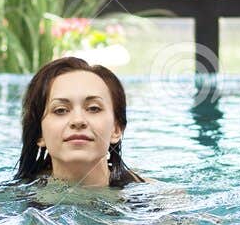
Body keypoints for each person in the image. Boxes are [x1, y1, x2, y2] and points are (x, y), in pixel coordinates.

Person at [15, 55, 146, 189]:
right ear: (39, 133)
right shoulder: (11, 200)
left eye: (93, 108)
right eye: (60, 110)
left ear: (116, 129)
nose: (78, 121)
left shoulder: (154, 197)